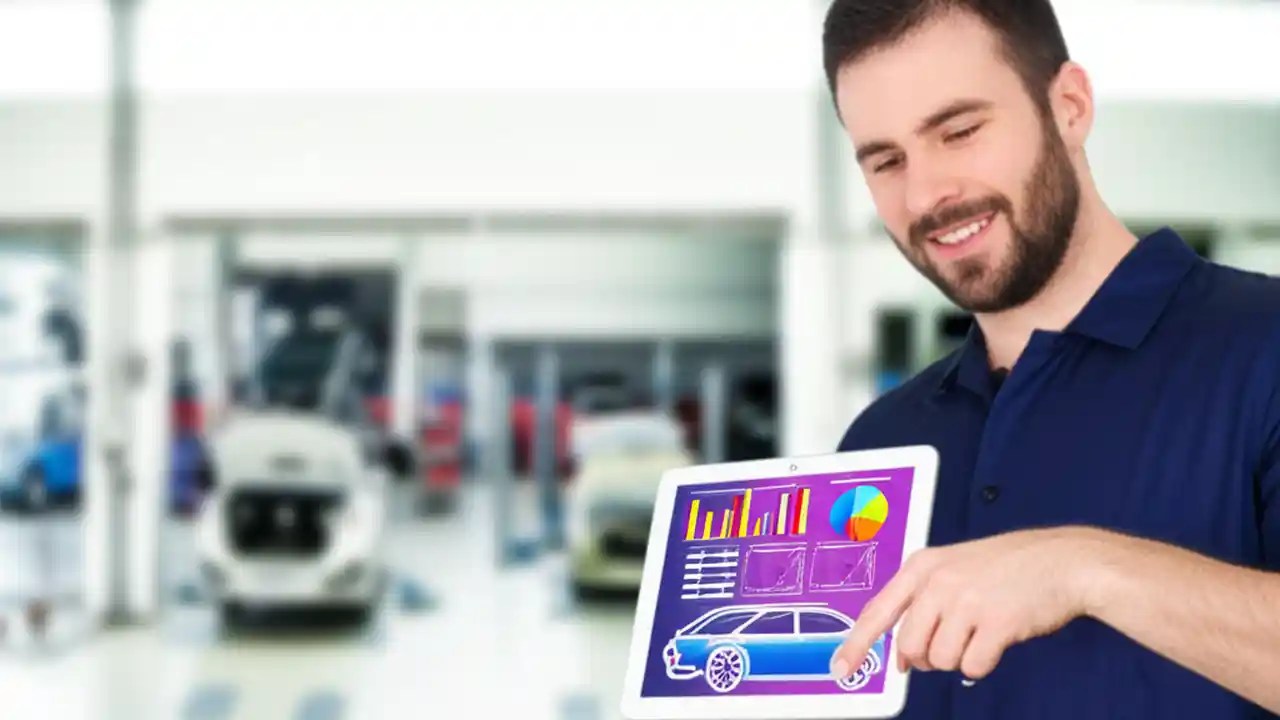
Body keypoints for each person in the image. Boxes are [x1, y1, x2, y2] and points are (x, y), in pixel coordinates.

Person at [818, 1, 1280, 718]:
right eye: (886, 160)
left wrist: (1083, 569)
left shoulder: (1265, 348)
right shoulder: (879, 441)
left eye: (960, 131)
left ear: (1068, 106)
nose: (925, 193)